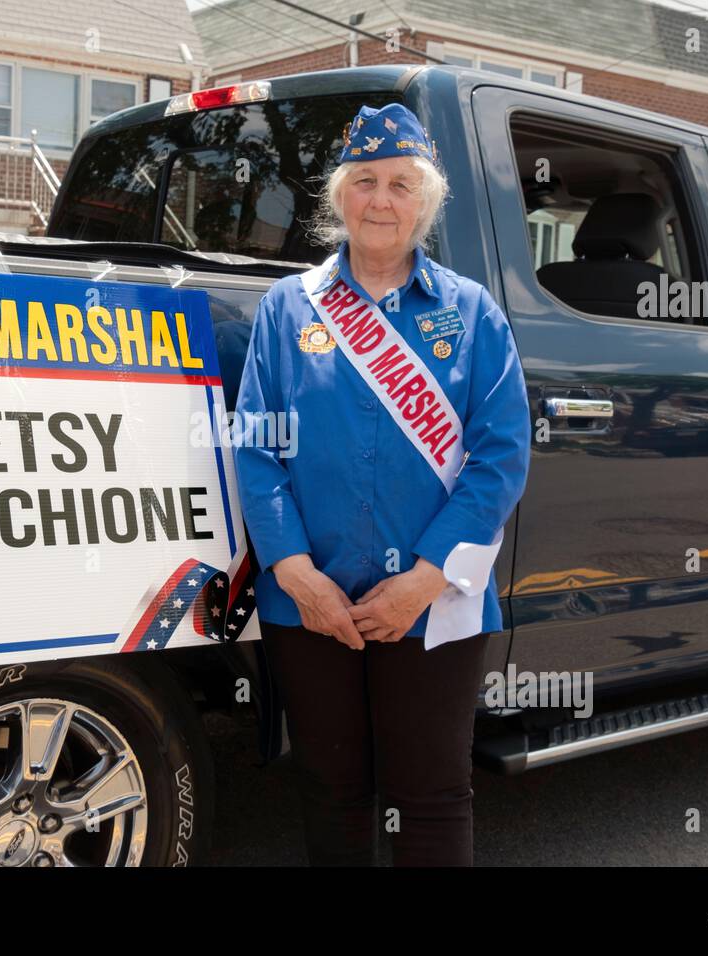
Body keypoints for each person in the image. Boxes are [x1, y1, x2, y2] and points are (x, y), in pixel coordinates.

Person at [232, 102, 531, 866]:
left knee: (429, 792)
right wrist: (297, 574)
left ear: (425, 202)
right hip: (310, 600)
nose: (381, 199)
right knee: (331, 785)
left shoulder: (471, 314)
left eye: (402, 183)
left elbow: (500, 459)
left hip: (434, 602)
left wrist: (423, 582)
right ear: (340, 197)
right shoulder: (287, 308)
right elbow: (258, 449)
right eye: (364, 180)